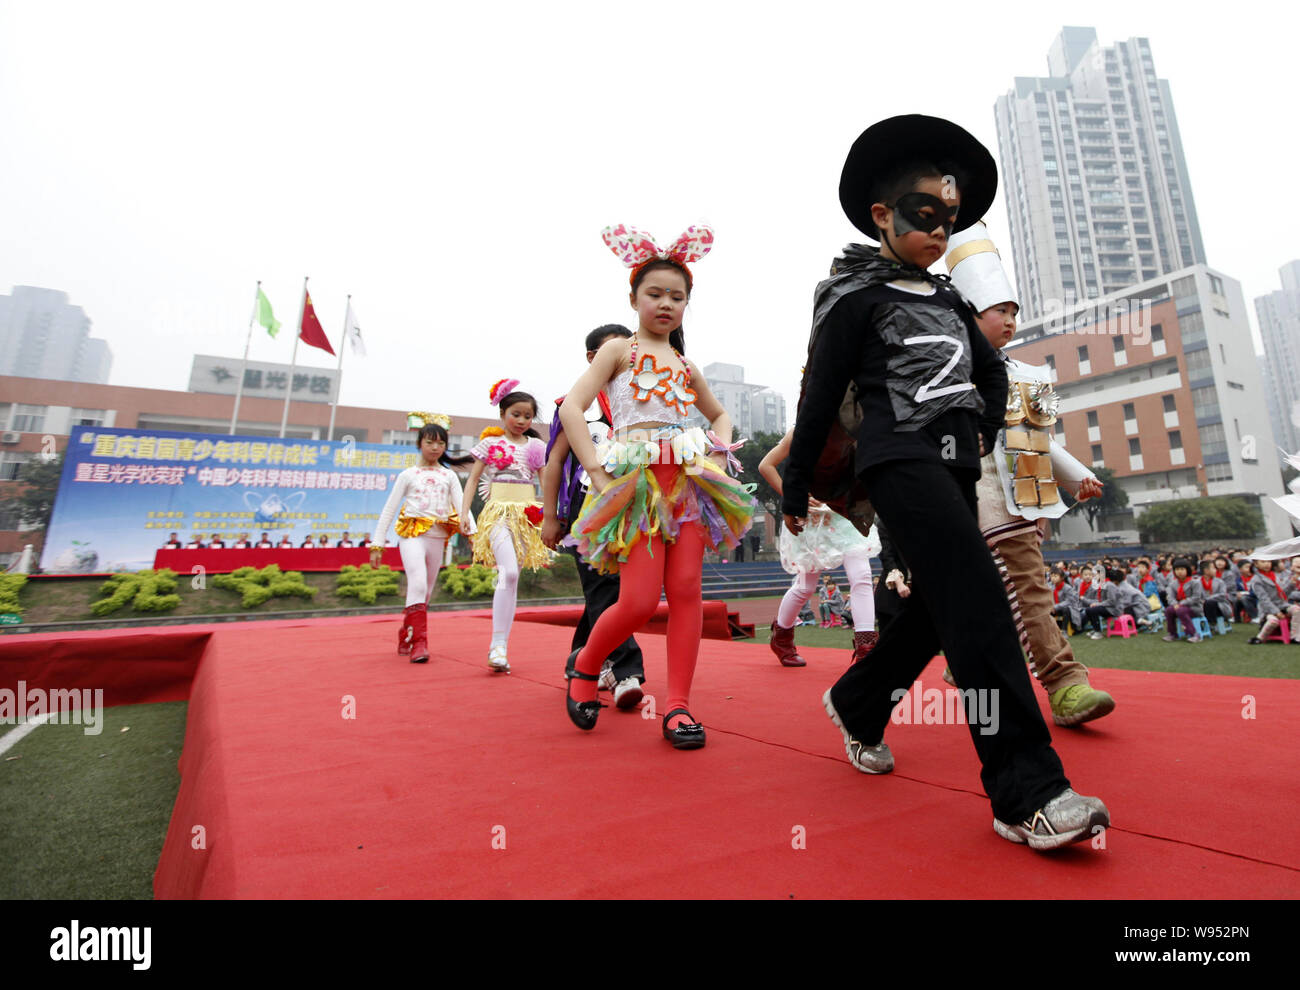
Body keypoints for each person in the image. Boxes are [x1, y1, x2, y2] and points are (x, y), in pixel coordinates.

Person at [781, 115, 1107, 849]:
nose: (937, 232)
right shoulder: (850, 298)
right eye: (924, 217)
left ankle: (859, 701)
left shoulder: (951, 299)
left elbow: (989, 373)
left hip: (955, 467)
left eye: (949, 221)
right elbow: (819, 392)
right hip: (897, 461)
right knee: (979, 605)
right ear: (882, 216)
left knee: (934, 609)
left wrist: (984, 423)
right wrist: (795, 481)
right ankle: (1025, 789)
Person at [558, 223, 755, 749]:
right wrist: (598, 474)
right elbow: (571, 409)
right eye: (656, 294)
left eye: (677, 296)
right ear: (633, 298)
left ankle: (678, 707)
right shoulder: (617, 350)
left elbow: (719, 416)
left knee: (687, 590)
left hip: (687, 486)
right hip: (637, 488)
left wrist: (718, 454)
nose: (666, 303)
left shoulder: (686, 366)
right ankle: (587, 666)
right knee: (640, 600)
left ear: (687, 303)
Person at [944, 220, 1114, 723]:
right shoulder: (940, 370)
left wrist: (1077, 474)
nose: (1011, 320)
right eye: (1000, 310)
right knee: (984, 592)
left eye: (1015, 311)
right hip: (955, 500)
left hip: (1013, 499)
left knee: (1028, 586)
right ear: (970, 314)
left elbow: (1043, 439)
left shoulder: (1032, 376)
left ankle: (1065, 683)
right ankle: (973, 658)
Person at [540, 323, 646, 708]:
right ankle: (626, 671)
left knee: (613, 593)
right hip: (590, 511)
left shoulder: (641, 398)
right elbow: (554, 461)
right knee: (606, 590)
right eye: (614, 351)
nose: (625, 357)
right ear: (592, 359)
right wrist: (550, 517)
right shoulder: (576, 404)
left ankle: (582, 661)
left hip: (636, 507)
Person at [760, 427, 880, 667]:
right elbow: (766, 465)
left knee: (862, 576)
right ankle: (781, 637)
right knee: (806, 586)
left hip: (842, 515)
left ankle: (866, 647)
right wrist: (794, 496)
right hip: (810, 520)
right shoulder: (802, 429)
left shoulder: (853, 428)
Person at [461, 382, 551, 673]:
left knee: (512, 579)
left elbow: (546, 481)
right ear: (502, 413)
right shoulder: (490, 444)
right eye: (516, 414)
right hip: (497, 512)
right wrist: (465, 514)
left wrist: (550, 514)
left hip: (526, 517)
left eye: (527, 416)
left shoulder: (537, 447)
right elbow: (473, 480)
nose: (522, 420)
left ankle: (501, 647)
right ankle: (497, 644)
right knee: (508, 572)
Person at [371, 416, 475, 663]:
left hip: (437, 537)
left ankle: (407, 630)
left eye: (441, 443)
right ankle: (420, 643)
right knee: (417, 584)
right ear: (420, 443)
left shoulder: (448, 476)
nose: (436, 448)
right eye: (430, 442)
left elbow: (462, 506)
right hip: (411, 535)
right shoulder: (408, 474)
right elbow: (389, 509)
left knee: (426, 592)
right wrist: (377, 544)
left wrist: (473, 534)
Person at [1248, 557, 1299, 643]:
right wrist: (1276, 612)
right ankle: (1259, 638)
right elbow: (1264, 599)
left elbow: (1283, 594)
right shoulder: (1256, 580)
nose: (1267, 564)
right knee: (1273, 621)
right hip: (1267, 609)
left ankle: (1295, 637)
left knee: (1297, 610)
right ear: (1256, 564)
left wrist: (1291, 584)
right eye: (1263, 561)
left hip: (1282, 605)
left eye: (1268, 561)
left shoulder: (1274, 575)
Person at [1162, 557, 1205, 642]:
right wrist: (1175, 604)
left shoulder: (1195, 582)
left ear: (1187, 570)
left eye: (1182, 569)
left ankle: (1194, 634)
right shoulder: (1173, 583)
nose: (1179, 572)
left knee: (1181, 610)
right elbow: (1170, 597)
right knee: (1168, 610)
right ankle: (1172, 634)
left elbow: (1196, 598)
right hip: (1178, 607)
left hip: (1194, 607)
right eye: (1177, 569)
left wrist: (1181, 604)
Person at [1199, 559, 1234, 628]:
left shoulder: (1220, 582)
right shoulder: (1197, 582)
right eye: (1213, 568)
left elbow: (1222, 595)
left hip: (1220, 607)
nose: (1216, 570)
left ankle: (1212, 623)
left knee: (1210, 603)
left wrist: (1207, 599)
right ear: (1206, 570)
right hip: (1201, 607)